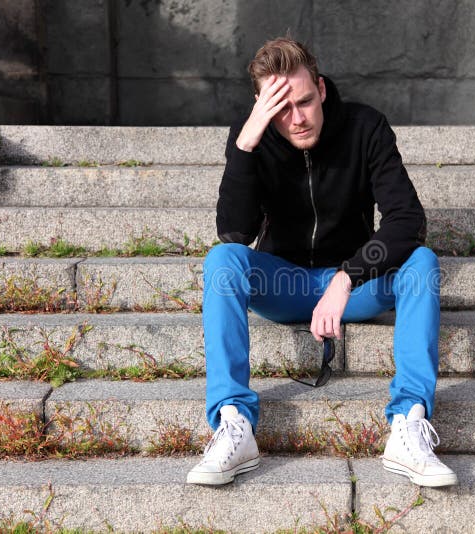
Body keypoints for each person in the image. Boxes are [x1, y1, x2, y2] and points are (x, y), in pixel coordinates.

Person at [186, 37, 457, 488]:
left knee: (422, 262)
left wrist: (346, 278)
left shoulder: (365, 127)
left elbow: (408, 220)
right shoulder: (255, 138)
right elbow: (235, 235)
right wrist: (246, 144)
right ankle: (233, 422)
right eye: (281, 108)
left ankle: (408, 424)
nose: (297, 119)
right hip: (283, 285)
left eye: (306, 102)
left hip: (355, 287)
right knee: (222, 260)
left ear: (322, 89)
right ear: (262, 106)